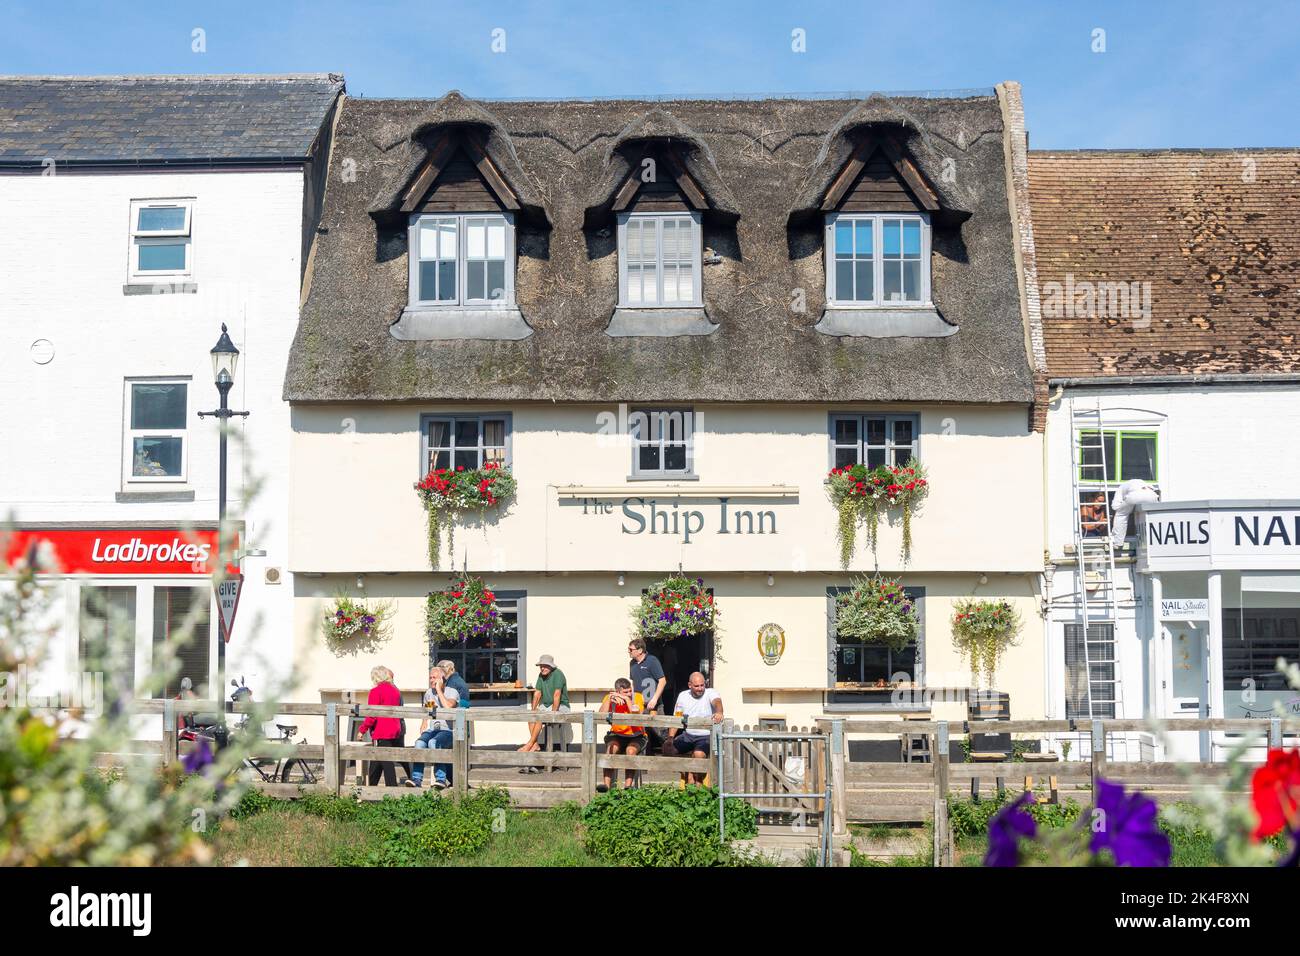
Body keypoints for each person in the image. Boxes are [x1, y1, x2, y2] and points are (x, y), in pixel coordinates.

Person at [407, 665, 460, 789]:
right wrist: (424, 722)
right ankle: (417, 779)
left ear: (442, 678)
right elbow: (428, 709)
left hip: (448, 730)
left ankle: (441, 779)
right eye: (430, 678)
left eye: (434, 677)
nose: (431, 680)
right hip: (433, 729)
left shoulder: (452, 692)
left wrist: (439, 690)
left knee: (433, 743)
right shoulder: (428, 693)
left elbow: (448, 707)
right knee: (419, 743)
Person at [666, 672, 723, 785]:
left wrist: (719, 712)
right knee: (668, 750)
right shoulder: (683, 695)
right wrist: (670, 737)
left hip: (705, 735)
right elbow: (677, 717)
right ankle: (688, 772)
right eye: (696, 686)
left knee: (698, 754)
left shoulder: (710, 692)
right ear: (690, 685)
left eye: (702, 685)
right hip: (688, 734)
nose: (700, 688)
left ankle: (698, 783)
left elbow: (717, 702)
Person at [518, 654, 569, 774]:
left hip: (561, 706)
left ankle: (530, 744)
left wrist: (553, 713)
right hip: (546, 706)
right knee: (531, 717)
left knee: (541, 716)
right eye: (541, 666)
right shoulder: (540, 676)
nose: (542, 668)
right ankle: (535, 744)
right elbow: (537, 693)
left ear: (551, 666)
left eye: (545, 666)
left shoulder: (558, 674)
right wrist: (533, 710)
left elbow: (557, 695)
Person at [596, 678, 647, 793]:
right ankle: (606, 786)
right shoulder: (610, 698)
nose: (629, 694)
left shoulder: (638, 697)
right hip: (617, 734)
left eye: (630, 691)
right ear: (617, 691)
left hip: (637, 735)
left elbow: (636, 715)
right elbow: (600, 715)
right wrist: (609, 699)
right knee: (611, 748)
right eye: (626, 692)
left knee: (630, 751)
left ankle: (628, 787)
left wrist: (626, 699)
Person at [357, 665, 404, 787]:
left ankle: (392, 791)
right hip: (395, 729)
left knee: (386, 762)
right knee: (376, 762)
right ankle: (370, 790)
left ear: (376, 677)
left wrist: (362, 730)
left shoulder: (375, 691)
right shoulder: (395, 691)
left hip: (382, 731)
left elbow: (372, 715)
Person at [1110, 477, 1159, 547]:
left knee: (1121, 514)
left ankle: (1118, 542)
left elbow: (1115, 506)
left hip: (1135, 495)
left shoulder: (1121, 487)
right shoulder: (1142, 482)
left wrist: (1126, 508)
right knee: (1154, 515)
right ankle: (1156, 538)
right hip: (1152, 495)